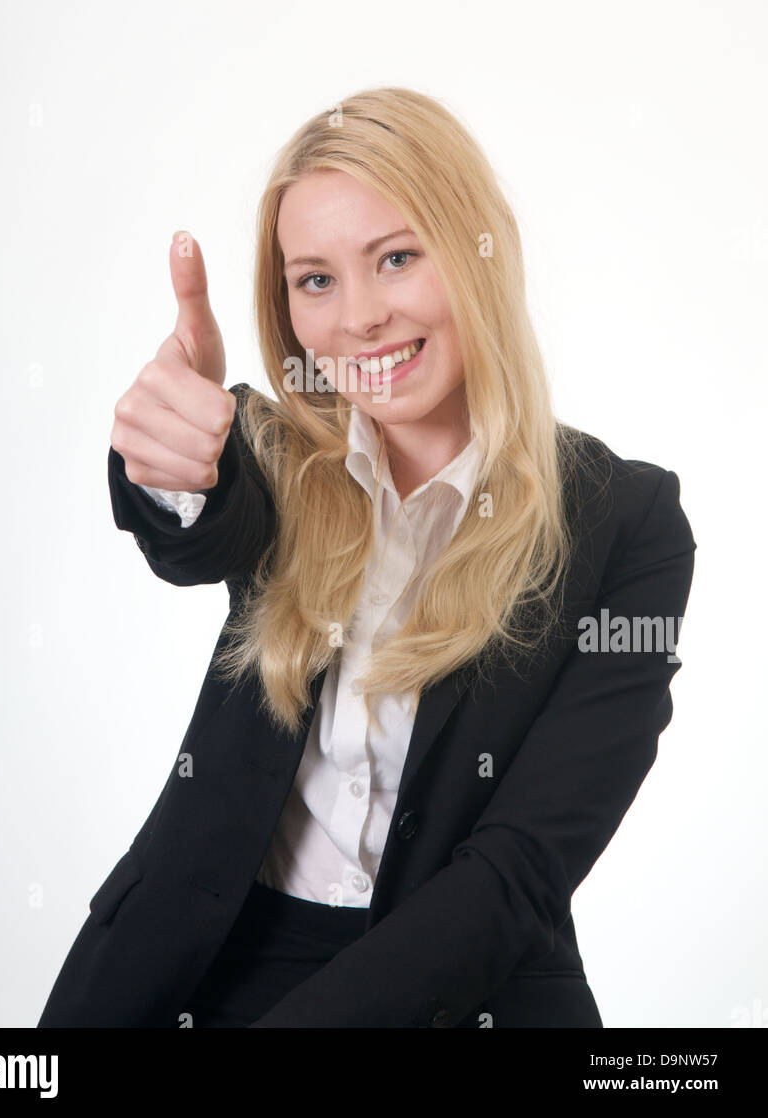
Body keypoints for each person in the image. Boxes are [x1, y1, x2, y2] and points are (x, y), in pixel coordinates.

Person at [37, 86, 696, 1028]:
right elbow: (197, 529)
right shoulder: (271, 459)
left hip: (455, 990)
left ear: (480, 251)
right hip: (190, 972)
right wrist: (164, 471)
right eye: (315, 280)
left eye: (395, 258)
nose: (359, 319)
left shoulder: (624, 519)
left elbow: (518, 871)